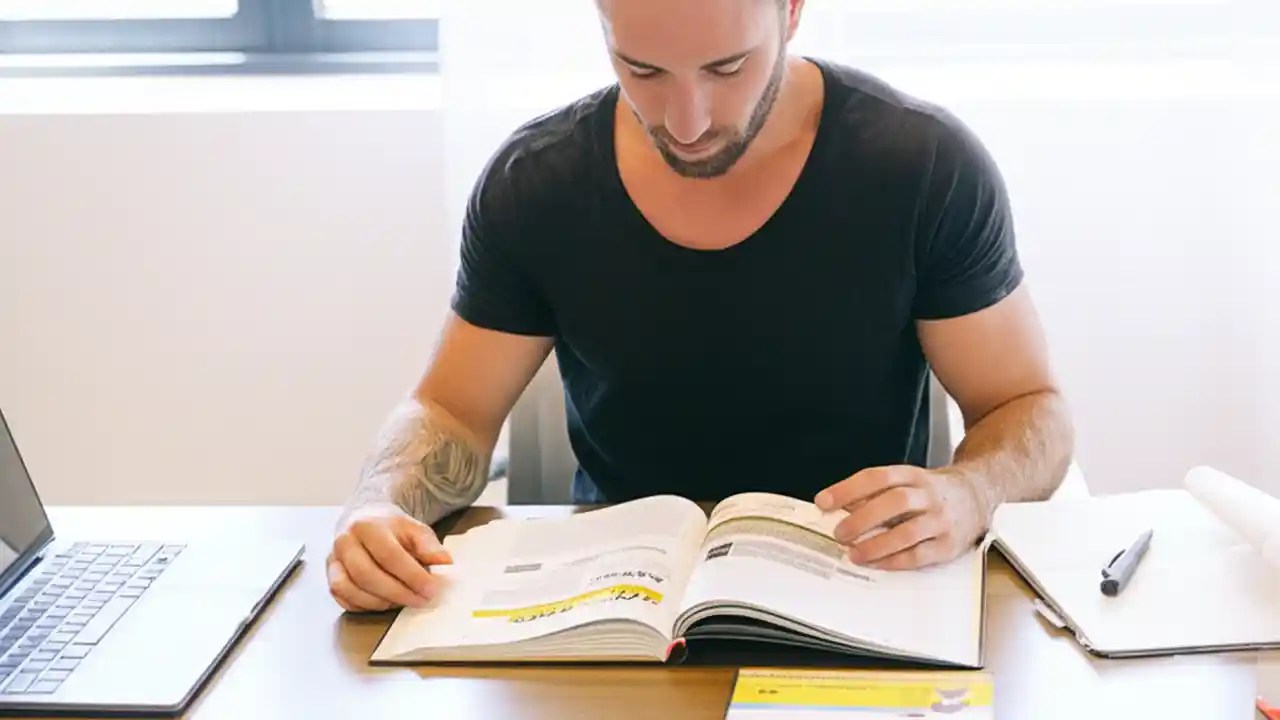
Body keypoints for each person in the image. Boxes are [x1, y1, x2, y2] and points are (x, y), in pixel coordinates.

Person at [326, 0, 1075, 613]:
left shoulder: (924, 169)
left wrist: (970, 490)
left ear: (790, 13)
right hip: (615, 613)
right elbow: (450, 415)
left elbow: (1029, 405)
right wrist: (378, 505)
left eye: (727, 68)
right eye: (641, 70)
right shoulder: (537, 187)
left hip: (863, 592)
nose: (686, 122)